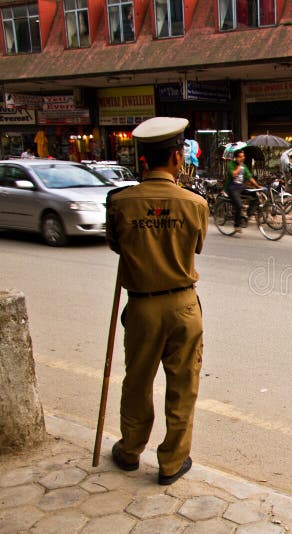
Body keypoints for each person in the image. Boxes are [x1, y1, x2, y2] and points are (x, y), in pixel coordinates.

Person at [105, 117, 208, 486]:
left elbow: (116, 245)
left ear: (143, 160)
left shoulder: (119, 202)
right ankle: (172, 462)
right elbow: (195, 246)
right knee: (183, 385)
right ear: (177, 158)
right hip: (183, 306)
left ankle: (130, 449)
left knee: (137, 381)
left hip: (143, 306)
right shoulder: (195, 204)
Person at [224, 149, 259, 233]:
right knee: (238, 205)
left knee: (255, 196)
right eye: (240, 157)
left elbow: (249, 177)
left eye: (243, 156)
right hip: (232, 187)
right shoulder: (230, 164)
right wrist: (239, 166)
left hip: (241, 187)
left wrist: (257, 185)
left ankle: (248, 214)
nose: (242, 158)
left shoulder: (244, 166)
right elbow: (234, 174)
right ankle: (237, 225)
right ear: (236, 158)